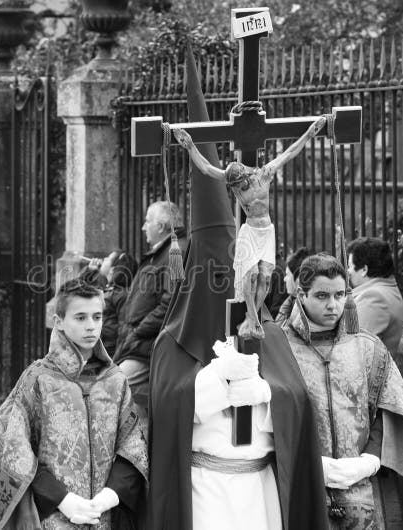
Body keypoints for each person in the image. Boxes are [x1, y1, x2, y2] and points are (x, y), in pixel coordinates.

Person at [148, 50, 329, 530]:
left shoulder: (267, 332)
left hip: (260, 494)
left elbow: (296, 406)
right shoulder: (173, 343)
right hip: (204, 493)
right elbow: (166, 416)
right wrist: (213, 386)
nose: (225, 288)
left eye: (231, 276)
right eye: (215, 275)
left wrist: (263, 393)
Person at [0, 278, 147, 529]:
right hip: (53, 518)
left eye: (97, 317)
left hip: (105, 517)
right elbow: (10, 448)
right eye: (80, 317)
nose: (91, 326)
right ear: (59, 322)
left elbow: (133, 445)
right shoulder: (39, 379)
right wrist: (62, 498)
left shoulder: (116, 380)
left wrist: (111, 495)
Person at [282, 253, 403, 529]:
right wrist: (308, 461)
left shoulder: (368, 347)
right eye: (322, 296)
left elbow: (391, 407)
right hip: (300, 484)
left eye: (340, 295)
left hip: (361, 490)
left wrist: (370, 459)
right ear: (301, 295)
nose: (333, 305)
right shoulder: (278, 347)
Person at [173, 116, 326, 340]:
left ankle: (252, 319)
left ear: (247, 176)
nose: (238, 190)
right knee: (250, 274)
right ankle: (253, 319)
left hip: (267, 230)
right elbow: (206, 168)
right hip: (250, 230)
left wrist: (310, 134)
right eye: (234, 187)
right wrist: (190, 146)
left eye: (241, 185)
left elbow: (290, 152)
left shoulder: (263, 175)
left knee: (265, 277)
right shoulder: (232, 183)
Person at [115, 200, 187, 424]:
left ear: (163, 225)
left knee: (115, 387)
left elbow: (171, 301)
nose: (143, 227)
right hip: (140, 344)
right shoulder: (164, 252)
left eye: (148, 221)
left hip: (148, 347)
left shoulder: (175, 252)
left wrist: (138, 331)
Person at [347, 237, 403, 356]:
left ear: (364, 269)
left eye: (350, 266)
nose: (348, 271)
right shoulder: (387, 290)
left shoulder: (374, 298)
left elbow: (354, 351)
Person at [81, 249, 138, 358]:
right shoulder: (107, 289)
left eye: (107, 258)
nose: (103, 260)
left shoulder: (122, 295)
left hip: (110, 353)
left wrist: (116, 359)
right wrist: (89, 271)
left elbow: (124, 330)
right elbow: (77, 294)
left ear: (114, 268)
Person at [274, 245, 313, 326]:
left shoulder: (307, 313)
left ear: (299, 279)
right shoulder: (290, 302)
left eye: (287, 275)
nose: (284, 279)